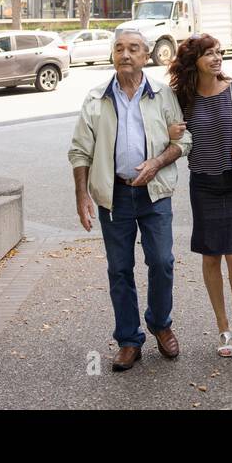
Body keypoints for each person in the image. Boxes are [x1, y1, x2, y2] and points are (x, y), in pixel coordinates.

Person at [67, 30, 191, 371]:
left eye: (133, 49)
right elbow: (79, 151)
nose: (125, 54)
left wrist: (155, 164)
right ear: (112, 55)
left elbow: (185, 141)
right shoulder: (96, 98)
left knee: (162, 262)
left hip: (154, 193)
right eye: (119, 48)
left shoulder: (162, 95)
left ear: (146, 55)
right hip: (115, 196)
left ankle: (160, 322)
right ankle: (128, 339)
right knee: (120, 270)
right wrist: (82, 195)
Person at [167, 34, 232, 357]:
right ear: (194, 60)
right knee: (211, 256)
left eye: (219, 52)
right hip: (203, 186)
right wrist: (170, 134)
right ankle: (222, 327)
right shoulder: (182, 97)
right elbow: (166, 130)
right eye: (209, 53)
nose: (217, 57)